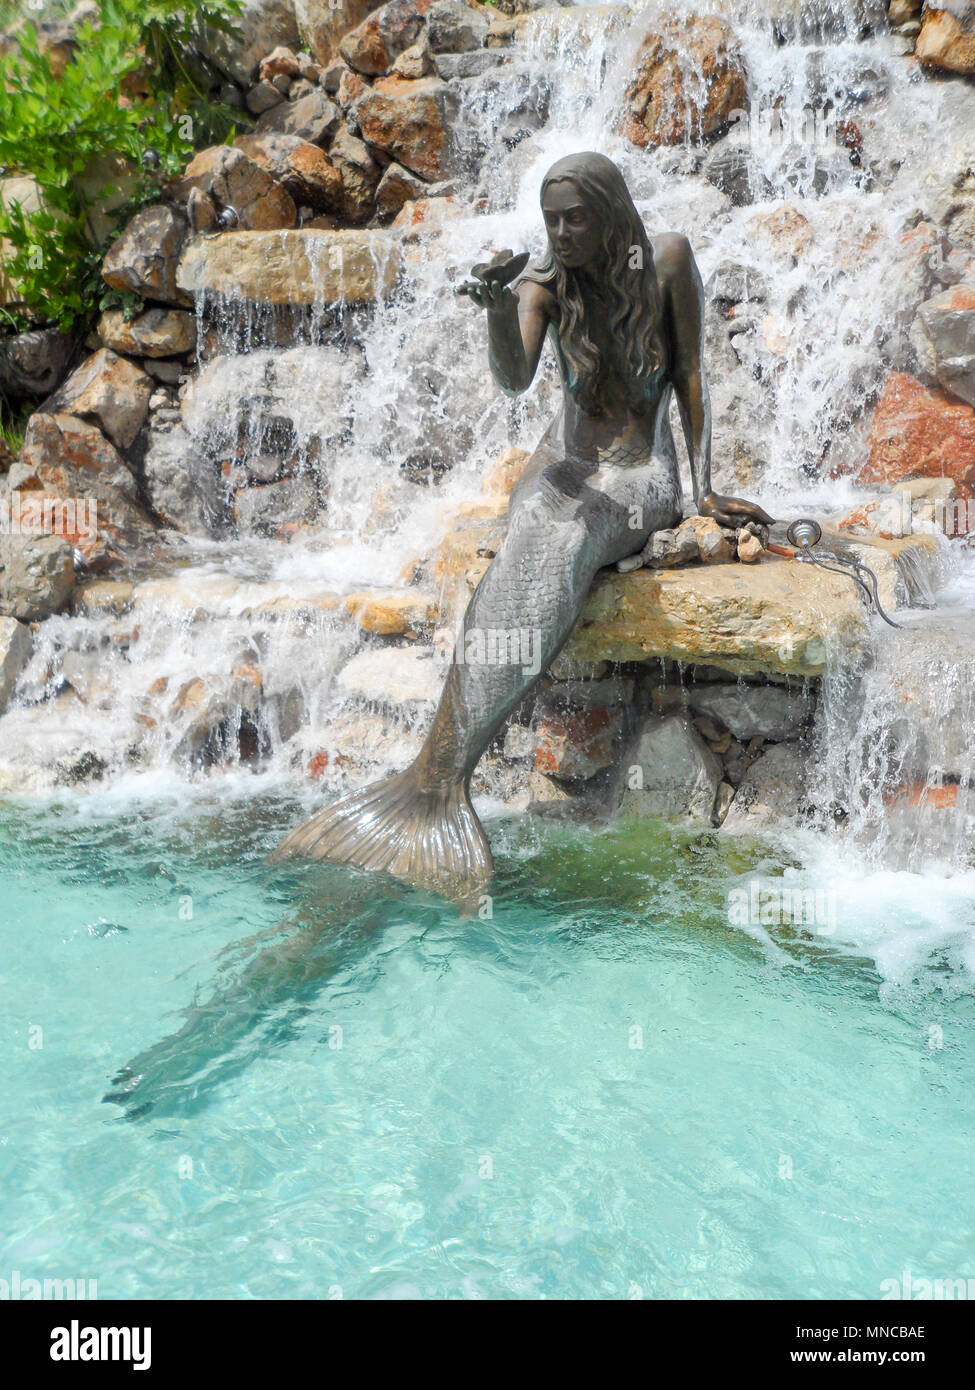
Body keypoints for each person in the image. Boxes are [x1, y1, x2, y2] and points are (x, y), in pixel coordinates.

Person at [272, 151, 774, 898]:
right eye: (552, 220)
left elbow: (692, 372)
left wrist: (704, 491)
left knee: (569, 538)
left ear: (609, 213)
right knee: (532, 534)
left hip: (639, 472)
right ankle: (434, 778)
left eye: (577, 217)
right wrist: (493, 311)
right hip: (561, 462)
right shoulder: (542, 283)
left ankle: (437, 783)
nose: (563, 232)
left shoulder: (665, 260)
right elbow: (513, 380)